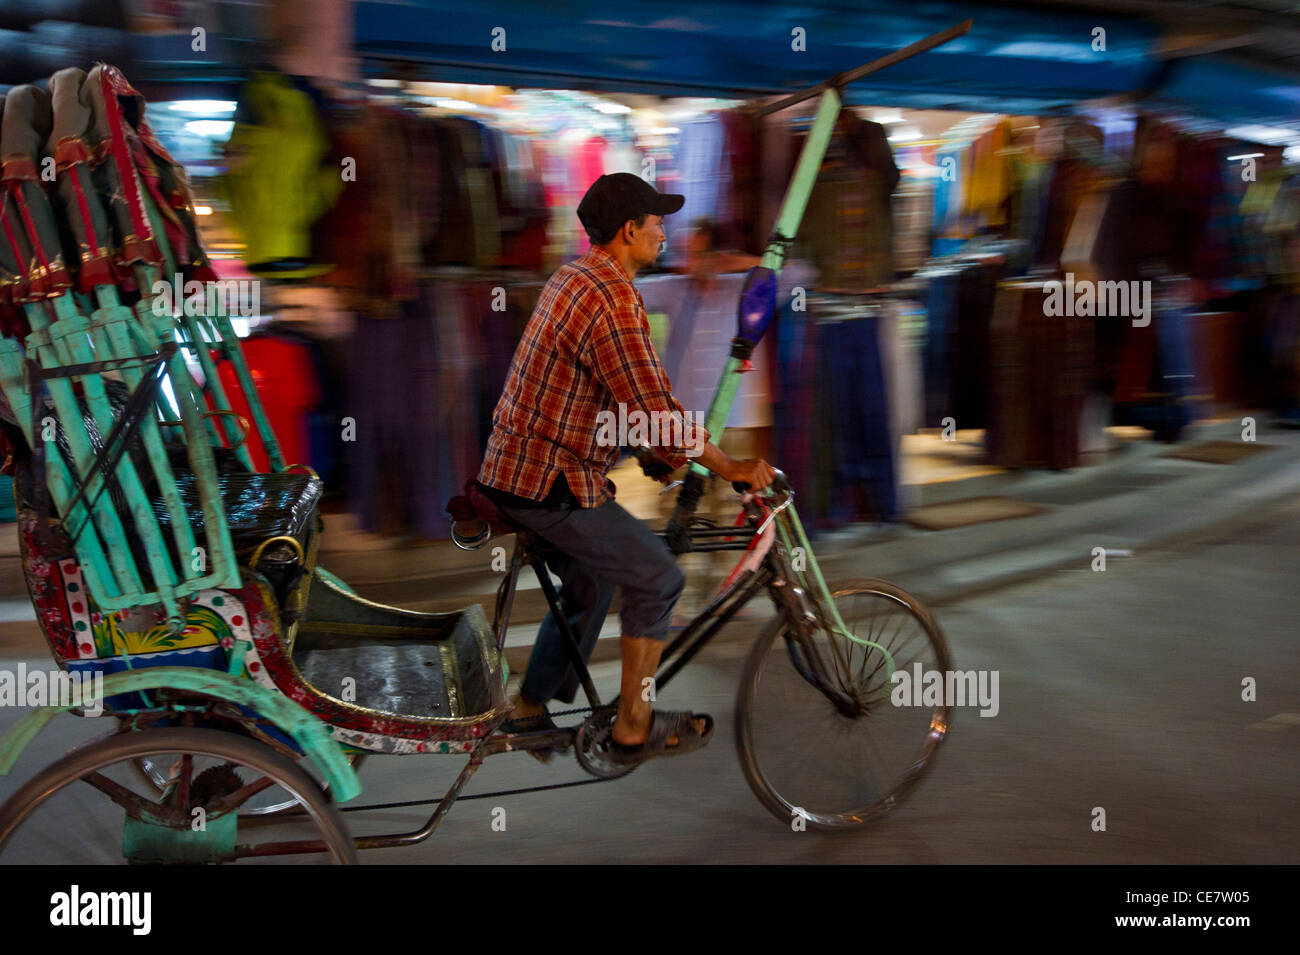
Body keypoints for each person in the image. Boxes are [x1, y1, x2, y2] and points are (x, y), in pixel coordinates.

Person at [476, 172, 775, 765]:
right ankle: (634, 723)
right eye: (657, 223)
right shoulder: (610, 296)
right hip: (547, 481)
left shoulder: (576, 277)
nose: (665, 232)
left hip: (517, 470)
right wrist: (729, 466)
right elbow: (654, 408)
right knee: (660, 578)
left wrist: (653, 455)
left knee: (597, 577)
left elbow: (613, 397)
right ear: (628, 230)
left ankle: (532, 705)